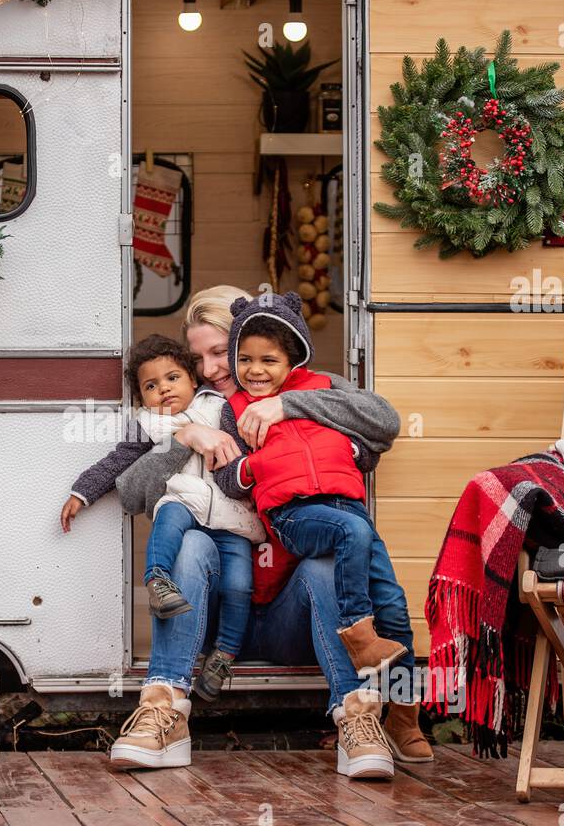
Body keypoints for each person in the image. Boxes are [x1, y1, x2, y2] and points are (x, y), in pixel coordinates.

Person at [108, 286, 432, 778]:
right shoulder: (192, 409)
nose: (214, 368)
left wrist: (288, 407)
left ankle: (368, 719)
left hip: (291, 609)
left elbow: (380, 423)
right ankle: (166, 708)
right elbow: (131, 492)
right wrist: (185, 436)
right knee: (193, 542)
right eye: (198, 358)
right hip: (215, 611)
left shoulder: (297, 387)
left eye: (221, 352)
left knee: (365, 585)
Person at [211, 291, 412, 779]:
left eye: (269, 360)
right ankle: (358, 650)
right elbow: (229, 473)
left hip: (344, 506)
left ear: (293, 358)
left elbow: (382, 425)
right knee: (345, 536)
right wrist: (255, 466)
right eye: (244, 360)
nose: (254, 370)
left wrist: (290, 406)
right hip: (294, 521)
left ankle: (406, 716)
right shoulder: (230, 410)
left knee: (395, 604)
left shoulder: (326, 387)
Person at [61, 334, 263, 713]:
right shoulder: (149, 424)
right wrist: (82, 492)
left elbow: (242, 452)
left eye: (172, 378)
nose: (163, 390)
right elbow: (116, 462)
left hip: (228, 513)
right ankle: (158, 581)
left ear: (193, 380)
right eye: (150, 386)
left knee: (239, 585)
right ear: (141, 397)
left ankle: (224, 654)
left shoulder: (220, 408)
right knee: (167, 517)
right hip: (185, 497)